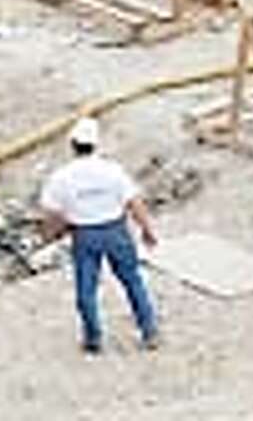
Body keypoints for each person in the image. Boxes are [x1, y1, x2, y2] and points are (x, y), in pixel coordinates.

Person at [39, 116, 159, 355]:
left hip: (84, 235)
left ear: (73, 145)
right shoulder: (112, 171)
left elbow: (52, 212)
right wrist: (147, 230)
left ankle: (93, 339)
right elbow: (134, 202)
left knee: (86, 289)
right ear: (96, 144)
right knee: (132, 281)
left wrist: (49, 235)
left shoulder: (62, 177)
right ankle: (149, 331)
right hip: (116, 230)